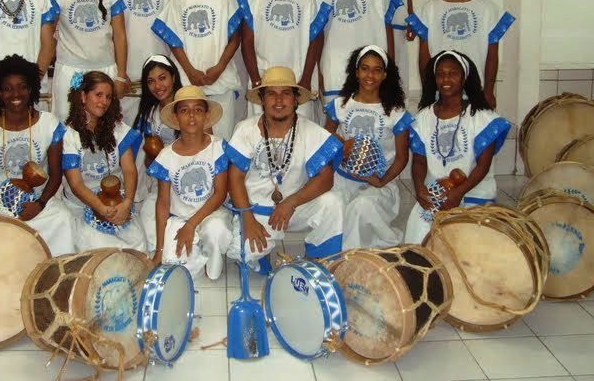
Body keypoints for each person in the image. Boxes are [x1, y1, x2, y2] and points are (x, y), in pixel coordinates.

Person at [225, 67, 343, 271]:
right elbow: (234, 177)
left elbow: (326, 178)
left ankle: (320, 260)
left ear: (296, 99)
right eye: (271, 93)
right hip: (256, 210)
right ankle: (260, 252)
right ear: (262, 99)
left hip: (293, 209)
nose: (279, 101)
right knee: (241, 252)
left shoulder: (311, 130)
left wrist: (291, 202)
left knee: (333, 203)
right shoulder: (245, 130)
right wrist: (248, 219)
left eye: (286, 93)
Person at [0, 55, 73, 256]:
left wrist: (39, 205)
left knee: (62, 218)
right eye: (8, 88)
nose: (16, 94)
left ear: (31, 89)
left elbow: (56, 174)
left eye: (23, 87)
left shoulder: (49, 124)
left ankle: (53, 270)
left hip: (38, 198)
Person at [404, 50, 511, 244]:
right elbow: (419, 160)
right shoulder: (423, 119)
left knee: (466, 248)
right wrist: (420, 187)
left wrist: (458, 193)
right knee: (419, 241)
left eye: (453, 73)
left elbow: (483, 166)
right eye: (440, 74)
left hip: (473, 192)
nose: (446, 78)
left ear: (464, 78)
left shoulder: (482, 117)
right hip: (436, 193)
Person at [152, 0, 242, 140]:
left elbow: (235, 39)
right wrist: (190, 71)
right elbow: (173, 40)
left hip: (221, 80)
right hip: (187, 80)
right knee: (190, 141)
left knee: (221, 140)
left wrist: (219, 68)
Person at [323, 45, 412, 249]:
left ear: (384, 75)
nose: (369, 75)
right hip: (342, 180)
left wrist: (381, 181)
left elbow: (401, 158)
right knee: (330, 210)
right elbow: (326, 142)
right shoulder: (339, 105)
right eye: (364, 68)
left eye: (376, 69)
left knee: (361, 207)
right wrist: (341, 148)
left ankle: (352, 260)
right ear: (356, 72)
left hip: (378, 183)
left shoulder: (396, 112)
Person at [406, 0, 515, 108]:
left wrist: (489, 91)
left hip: (476, 89)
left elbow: (493, 52)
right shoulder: (429, 9)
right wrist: (427, 90)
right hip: (441, 89)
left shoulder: (488, 9)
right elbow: (424, 54)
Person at [147, 86, 232, 279]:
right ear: (175, 118)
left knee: (217, 231)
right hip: (180, 218)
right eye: (184, 110)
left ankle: (212, 261)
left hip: (212, 214)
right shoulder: (166, 155)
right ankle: (193, 251)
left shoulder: (217, 147)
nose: (191, 116)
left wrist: (192, 225)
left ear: (206, 115)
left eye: (198, 110)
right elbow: (163, 203)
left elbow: (220, 193)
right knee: (173, 268)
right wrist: (159, 250)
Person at [238, 0, 327, 120]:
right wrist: (256, 80)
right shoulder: (252, 0)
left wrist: (306, 79)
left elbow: (316, 41)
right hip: (264, 80)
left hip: (298, 80)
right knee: (263, 133)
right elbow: (247, 43)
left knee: (301, 134)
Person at [62, 71, 146, 251]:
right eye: (98, 95)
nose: (104, 102)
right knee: (101, 247)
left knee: (138, 243)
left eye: (108, 97)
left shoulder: (118, 129)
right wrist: (101, 208)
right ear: (83, 96)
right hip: (83, 204)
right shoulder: (69, 135)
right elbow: (76, 184)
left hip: (117, 201)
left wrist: (127, 202)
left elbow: (130, 170)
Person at [50, 0, 129, 122]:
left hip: (105, 71)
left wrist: (121, 76)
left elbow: (120, 37)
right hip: (69, 73)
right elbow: (46, 36)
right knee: (68, 125)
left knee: (105, 126)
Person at [106, 0, 176, 124]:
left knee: (161, 134)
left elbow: (174, 30)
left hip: (161, 78)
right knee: (128, 137)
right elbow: (111, 34)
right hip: (127, 76)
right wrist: (119, 74)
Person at [132, 54, 184, 250]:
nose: (157, 86)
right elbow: (149, 164)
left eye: (162, 78)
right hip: (163, 182)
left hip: (190, 177)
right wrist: (155, 155)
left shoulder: (189, 104)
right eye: (151, 81)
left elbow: (207, 146)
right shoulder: (150, 114)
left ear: (173, 77)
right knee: (147, 221)